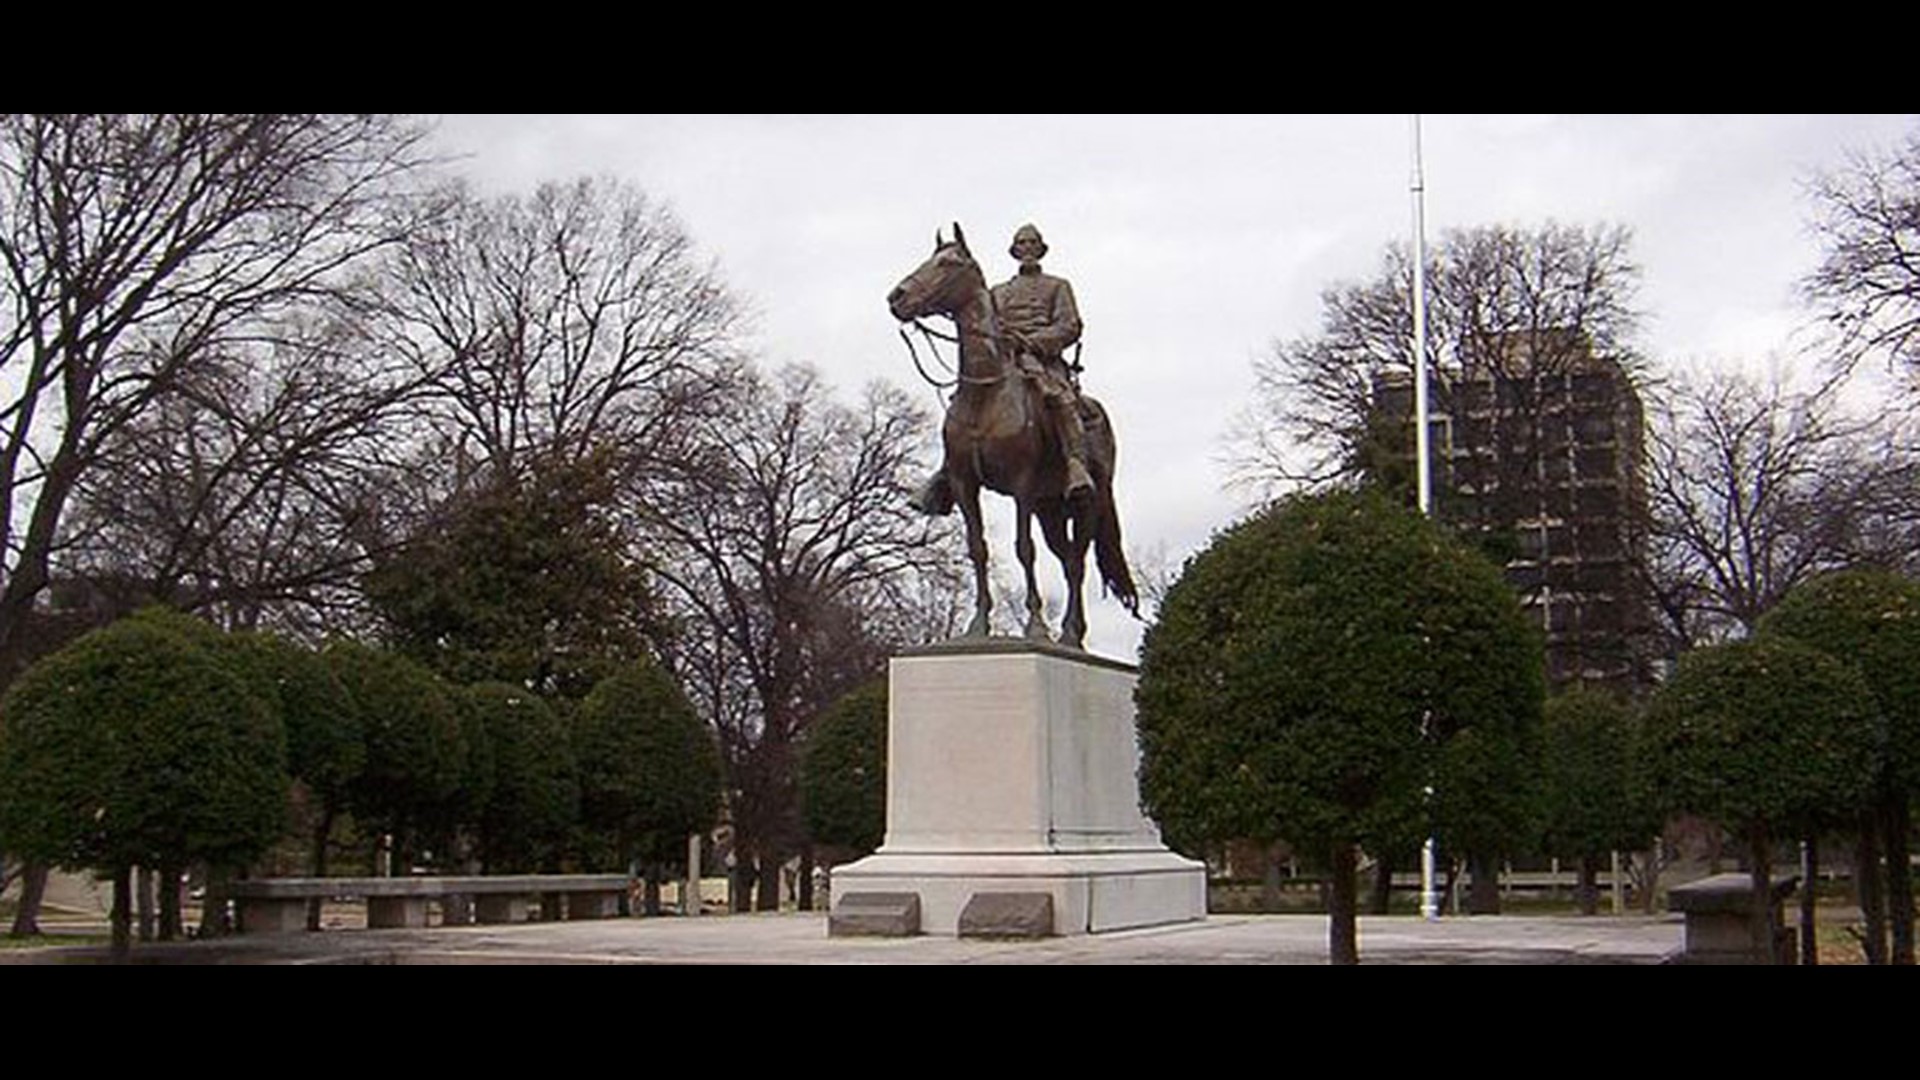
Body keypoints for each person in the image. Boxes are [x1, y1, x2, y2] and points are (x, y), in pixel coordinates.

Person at [911, 223, 1095, 515]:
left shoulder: (1058, 286)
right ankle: (947, 473)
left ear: (1041, 248)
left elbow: (1069, 326)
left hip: (1043, 362)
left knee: (1061, 399)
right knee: (963, 404)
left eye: (1033, 243)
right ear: (1015, 250)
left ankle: (1075, 464)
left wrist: (1035, 342)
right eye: (1022, 243)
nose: (1027, 248)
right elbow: (988, 325)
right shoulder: (998, 292)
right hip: (1007, 360)